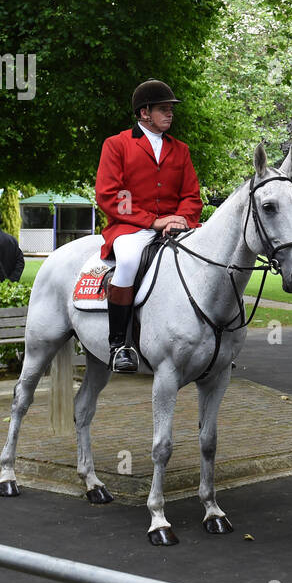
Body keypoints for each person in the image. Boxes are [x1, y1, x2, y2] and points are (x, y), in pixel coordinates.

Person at [95, 80, 203, 372]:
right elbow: (111, 195)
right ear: (144, 113)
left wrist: (180, 219)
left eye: (170, 110)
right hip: (130, 228)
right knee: (129, 261)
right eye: (163, 109)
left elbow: (191, 195)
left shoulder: (180, 150)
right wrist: (152, 221)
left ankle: (208, 342)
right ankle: (119, 345)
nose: (170, 114)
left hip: (175, 227)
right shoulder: (116, 145)